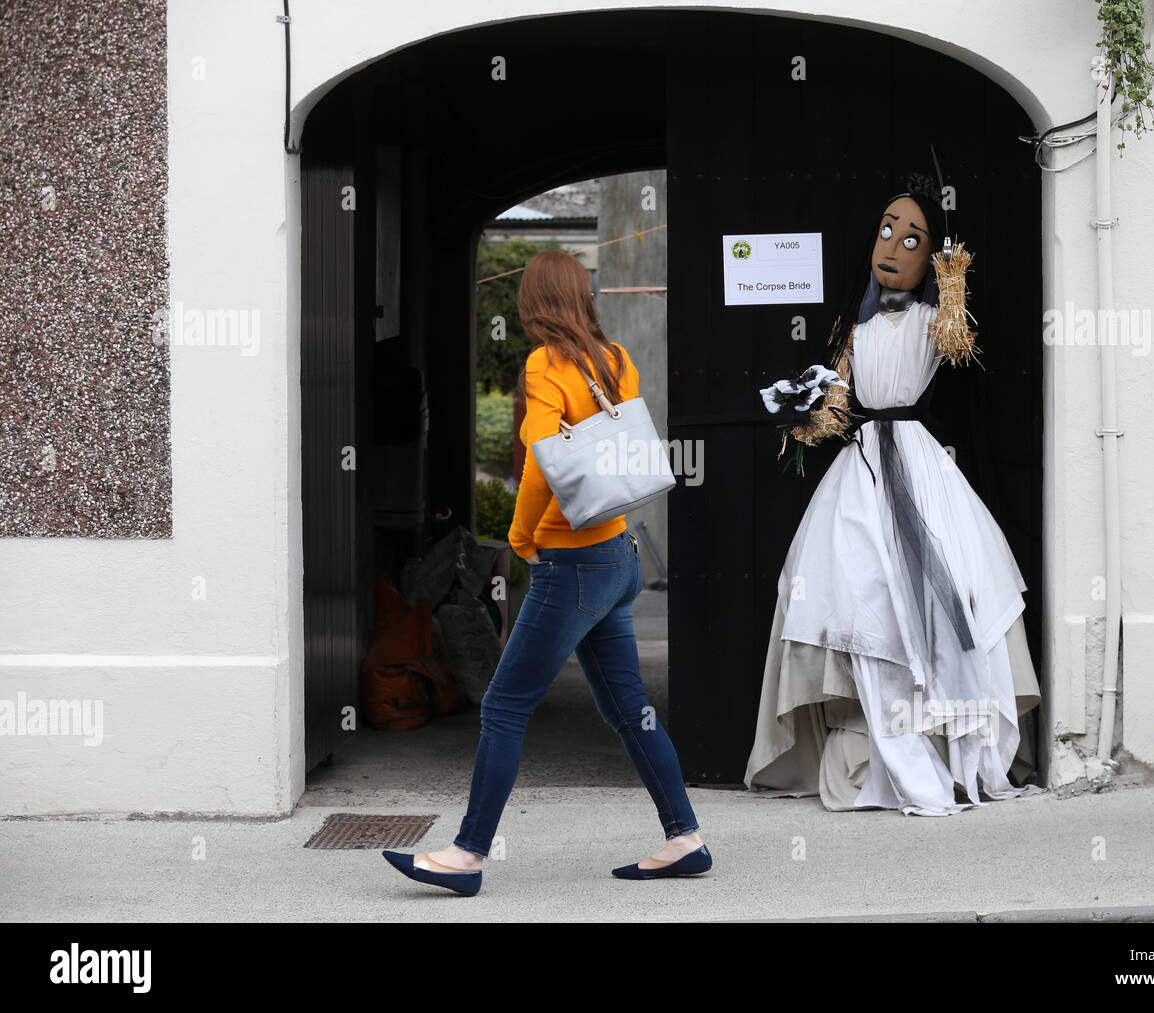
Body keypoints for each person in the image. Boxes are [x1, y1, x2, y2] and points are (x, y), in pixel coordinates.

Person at [382, 249, 710, 894]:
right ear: (582, 296)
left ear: (535, 304)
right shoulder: (614, 359)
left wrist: (519, 535)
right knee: (630, 710)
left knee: (504, 707)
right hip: (619, 555)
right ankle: (685, 838)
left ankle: (468, 855)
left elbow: (540, 460)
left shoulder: (544, 364)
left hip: (572, 563)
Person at [745, 190, 1044, 815]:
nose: (893, 247)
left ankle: (947, 731)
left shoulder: (931, 323)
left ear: (931, 255)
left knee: (947, 585)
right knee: (858, 585)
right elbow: (839, 406)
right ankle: (874, 729)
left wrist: (952, 280)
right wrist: (805, 420)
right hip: (862, 462)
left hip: (916, 457)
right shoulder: (852, 329)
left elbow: (959, 345)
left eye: (912, 239)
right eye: (887, 231)